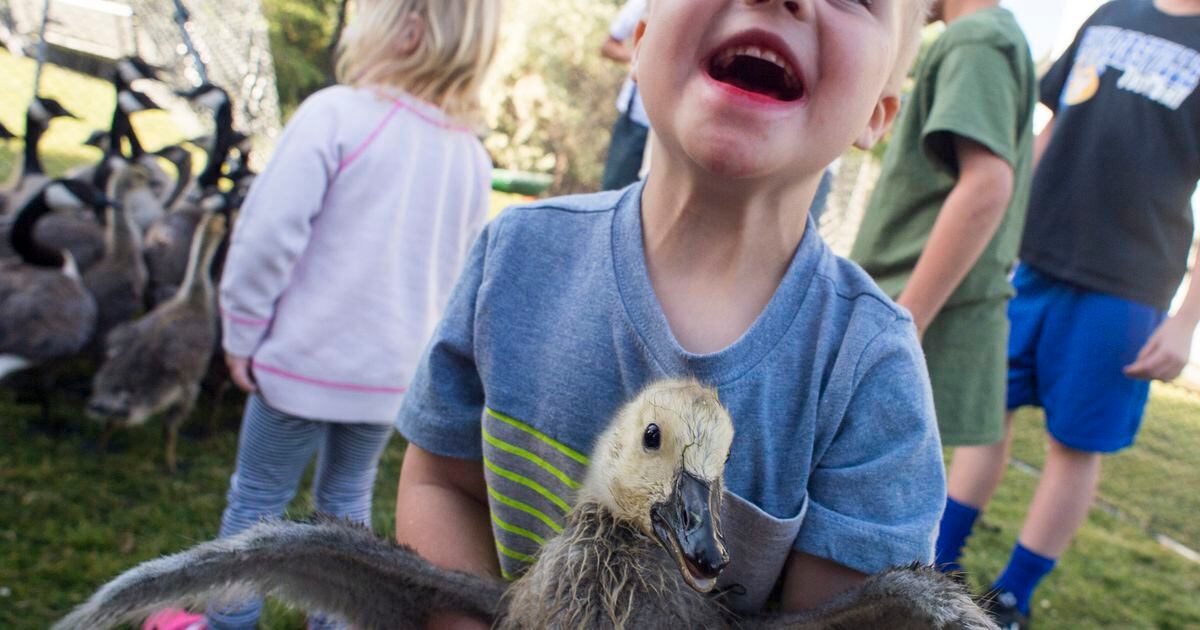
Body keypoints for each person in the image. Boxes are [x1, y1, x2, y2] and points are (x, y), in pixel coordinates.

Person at [393, 1, 945, 628]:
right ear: (640, 43)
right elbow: (441, 485)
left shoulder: (869, 370)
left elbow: (849, 616)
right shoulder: (515, 255)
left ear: (876, 114)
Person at [159, 2, 499, 628]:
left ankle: (227, 623)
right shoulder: (471, 158)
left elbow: (267, 236)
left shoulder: (339, 114)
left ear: (410, 26)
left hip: (300, 369)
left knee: (258, 501)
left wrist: (242, 332)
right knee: (345, 508)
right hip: (387, 385)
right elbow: (457, 275)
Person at [933, 1, 1200, 628]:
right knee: (983, 416)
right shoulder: (1113, 12)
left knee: (1072, 446)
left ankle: (1013, 599)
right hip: (1033, 258)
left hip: (1127, 285)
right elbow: (1050, 129)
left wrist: (1187, 320)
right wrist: (997, 228)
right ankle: (937, 563)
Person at [847, 0, 1036, 575]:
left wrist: (905, 322)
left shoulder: (975, 40)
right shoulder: (997, 37)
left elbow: (986, 186)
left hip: (910, 301)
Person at [599, 0, 650, 191]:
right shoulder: (641, 4)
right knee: (615, 189)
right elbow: (608, 46)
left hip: (672, 127)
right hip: (635, 121)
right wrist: (643, 56)